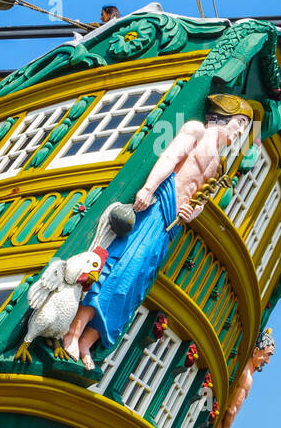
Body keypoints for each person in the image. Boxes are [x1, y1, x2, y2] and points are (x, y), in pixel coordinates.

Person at [61, 94, 257, 368]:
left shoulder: (218, 162)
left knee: (135, 285)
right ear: (224, 116)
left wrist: (192, 213)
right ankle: (74, 331)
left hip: (169, 227)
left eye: (246, 127)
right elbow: (170, 157)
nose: (241, 132)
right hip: (157, 209)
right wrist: (148, 187)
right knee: (122, 267)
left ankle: (88, 341)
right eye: (240, 123)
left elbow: (200, 198)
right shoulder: (196, 131)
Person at [216, 329, 275, 428]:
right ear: (256, 351)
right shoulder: (247, 378)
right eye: (267, 355)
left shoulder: (239, 366)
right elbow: (231, 410)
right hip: (217, 426)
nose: (267, 361)